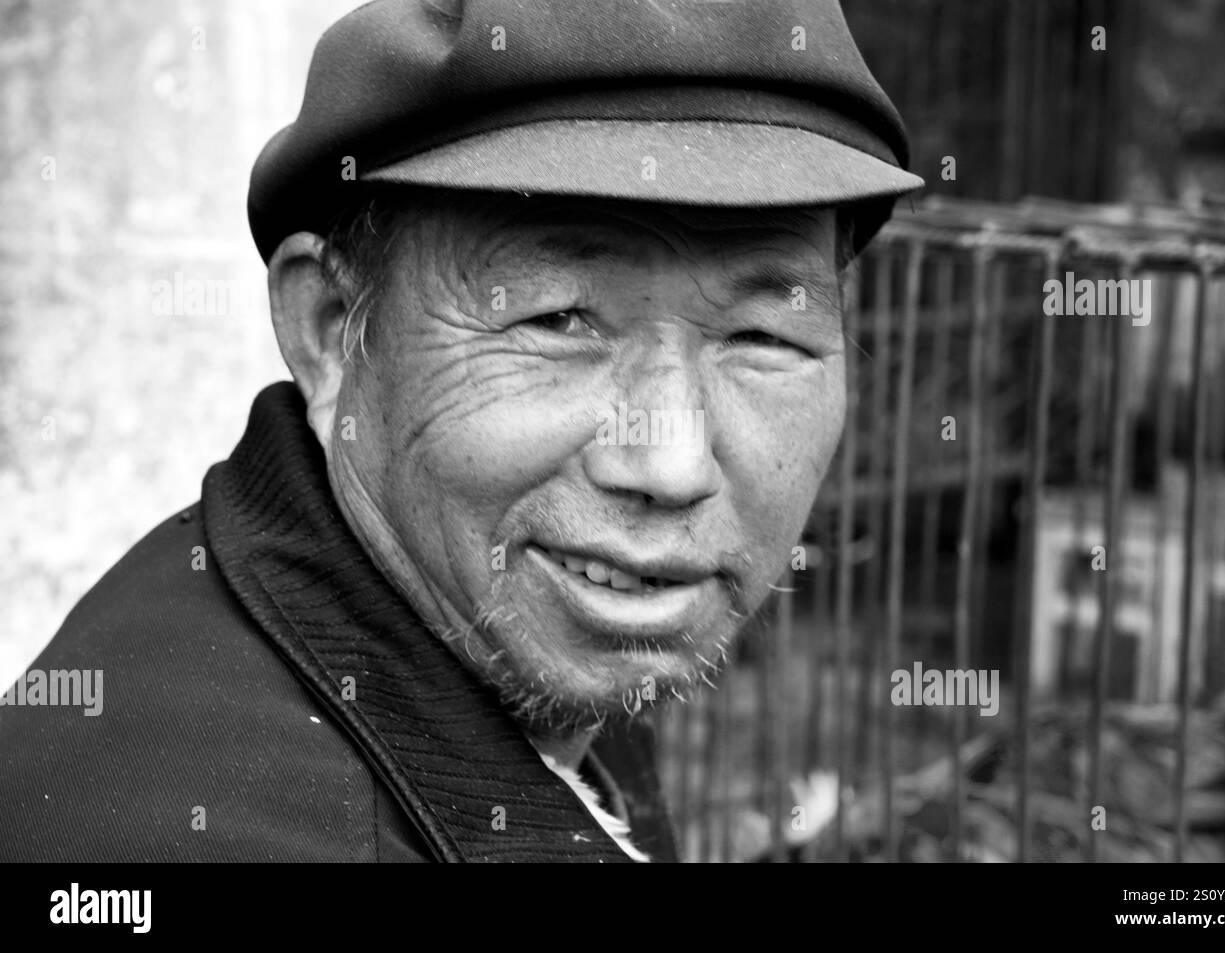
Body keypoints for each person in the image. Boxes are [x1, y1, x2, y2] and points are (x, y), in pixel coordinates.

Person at [0, 0, 921, 862]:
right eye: (559, 320)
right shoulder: (175, 834)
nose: (671, 463)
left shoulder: (522, 646)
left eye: (762, 335)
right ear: (330, 331)